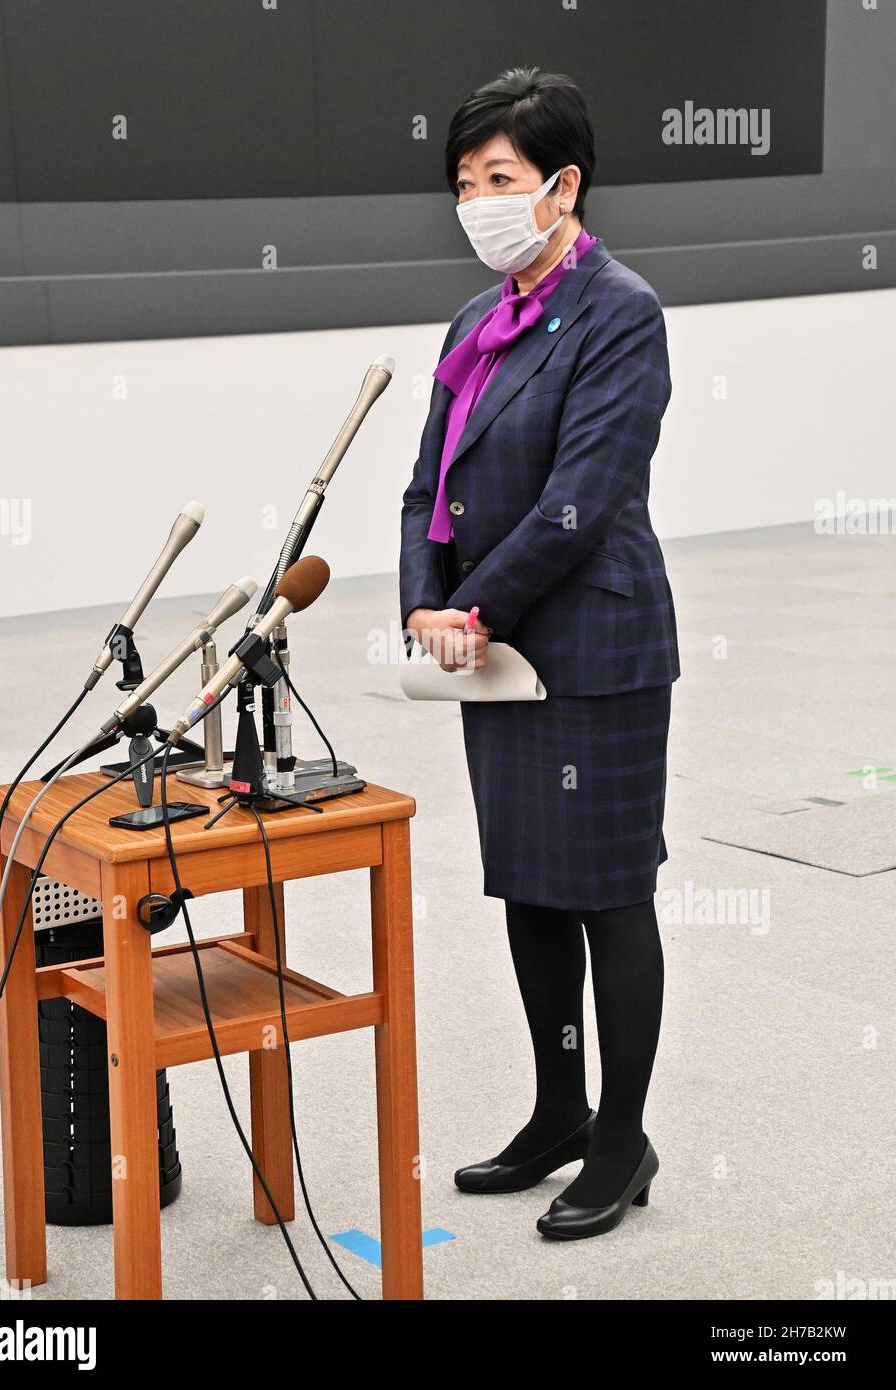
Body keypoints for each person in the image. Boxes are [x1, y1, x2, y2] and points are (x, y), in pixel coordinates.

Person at [399, 67, 679, 1240]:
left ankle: (623, 1136)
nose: (478, 201)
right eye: (464, 181)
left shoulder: (622, 311)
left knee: (607, 896)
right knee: (530, 887)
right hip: (496, 655)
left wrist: (477, 610)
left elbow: (579, 500)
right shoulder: (476, 321)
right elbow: (428, 485)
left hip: (592, 646)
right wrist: (426, 598)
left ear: (563, 186)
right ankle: (559, 1106)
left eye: (499, 179)